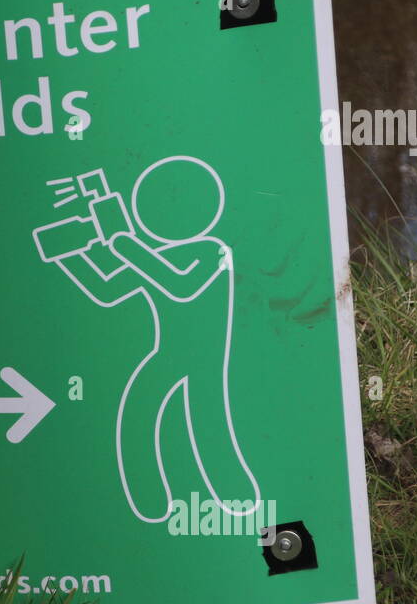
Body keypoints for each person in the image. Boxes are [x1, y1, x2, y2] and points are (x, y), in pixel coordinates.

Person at [33, 156, 262, 524]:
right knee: (137, 416)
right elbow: (106, 289)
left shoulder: (213, 250)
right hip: (166, 353)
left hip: (205, 356)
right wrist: (67, 252)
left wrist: (121, 240)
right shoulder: (155, 256)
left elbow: (181, 285)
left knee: (208, 420)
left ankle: (237, 496)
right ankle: (150, 501)